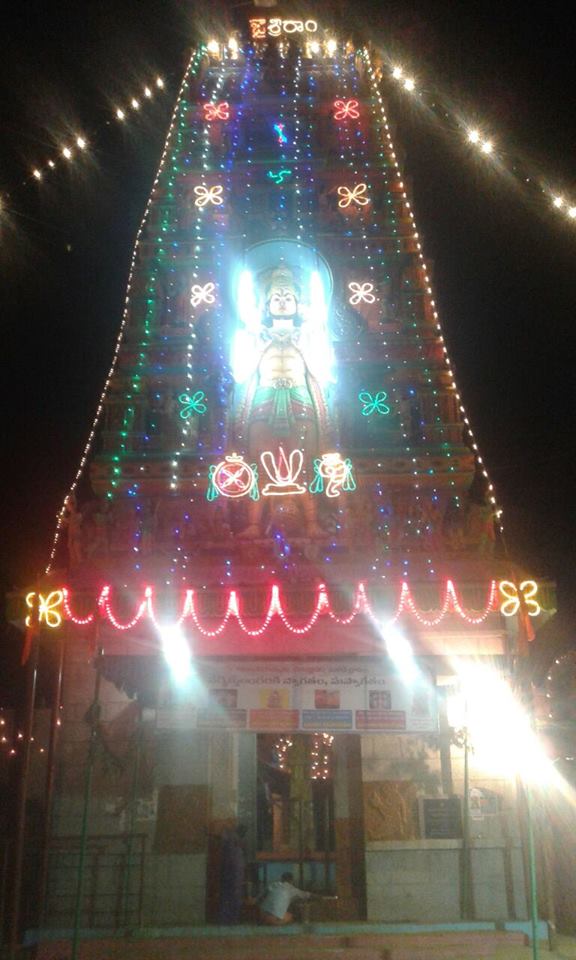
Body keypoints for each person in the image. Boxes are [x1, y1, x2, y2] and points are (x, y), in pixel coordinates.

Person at [218, 824, 247, 925]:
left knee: (227, 896)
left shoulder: (230, 841)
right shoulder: (237, 846)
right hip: (234, 875)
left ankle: (226, 919)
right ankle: (232, 919)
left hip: (229, 873)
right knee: (234, 896)